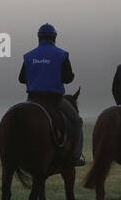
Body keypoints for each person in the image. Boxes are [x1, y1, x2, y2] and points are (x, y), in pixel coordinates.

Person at [18, 24, 85, 166]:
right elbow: (68, 78)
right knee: (77, 121)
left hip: (32, 100)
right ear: (54, 38)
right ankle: (74, 156)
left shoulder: (29, 56)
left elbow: (22, 79)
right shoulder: (62, 54)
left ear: (39, 38)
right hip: (54, 100)